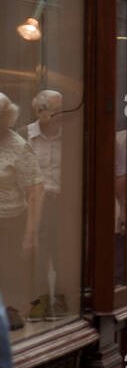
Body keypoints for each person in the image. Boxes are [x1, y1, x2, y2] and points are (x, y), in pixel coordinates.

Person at [23, 90, 67, 320]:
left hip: (62, 202)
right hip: (35, 203)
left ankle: (59, 299)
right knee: (37, 253)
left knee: (61, 252)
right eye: (55, 111)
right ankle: (38, 300)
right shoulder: (26, 137)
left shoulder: (69, 137)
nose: (60, 115)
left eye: (61, 110)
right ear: (40, 112)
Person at [0, 95, 42, 331]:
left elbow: (36, 190)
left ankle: (10, 312)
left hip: (10, 219)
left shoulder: (18, 146)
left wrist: (30, 232)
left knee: (8, 269)